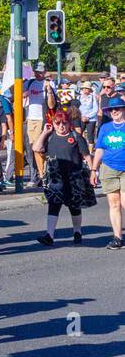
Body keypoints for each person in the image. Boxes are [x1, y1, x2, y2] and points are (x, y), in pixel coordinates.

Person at [34, 111, 94, 245]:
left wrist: (93, 173)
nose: (61, 126)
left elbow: (87, 156)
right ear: (53, 124)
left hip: (74, 178)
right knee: (53, 205)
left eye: (64, 123)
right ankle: (49, 236)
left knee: (74, 207)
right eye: (58, 123)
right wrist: (44, 132)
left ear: (69, 124)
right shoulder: (49, 137)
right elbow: (36, 148)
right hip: (56, 178)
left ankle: (77, 232)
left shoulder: (76, 137)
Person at [90, 95, 125, 249]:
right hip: (109, 167)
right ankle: (117, 237)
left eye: (117, 109)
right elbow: (99, 149)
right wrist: (93, 170)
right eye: (111, 110)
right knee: (114, 204)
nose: (114, 112)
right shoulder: (105, 128)